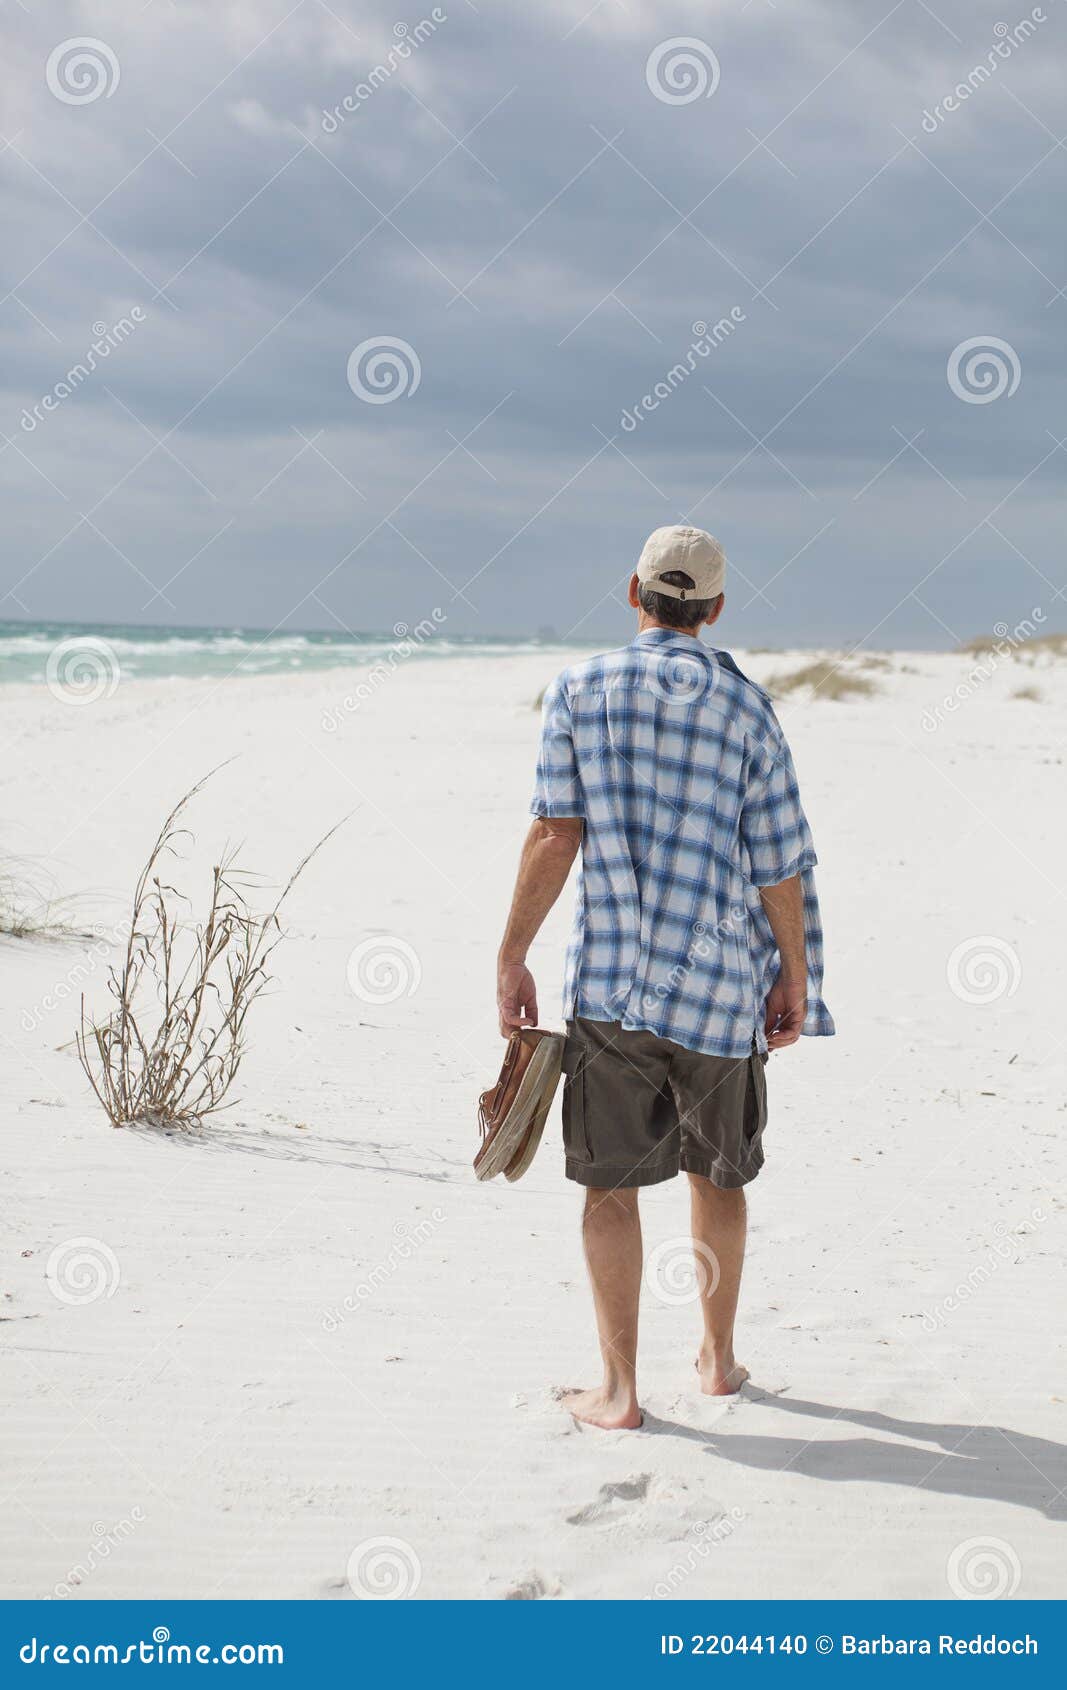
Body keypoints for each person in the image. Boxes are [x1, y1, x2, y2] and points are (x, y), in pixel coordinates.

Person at [495, 525, 834, 1429]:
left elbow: (553, 833)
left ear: (632, 590)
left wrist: (511, 952)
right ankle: (717, 1361)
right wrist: (792, 977)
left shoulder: (577, 688)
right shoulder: (747, 708)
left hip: (611, 982)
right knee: (718, 1180)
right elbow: (778, 865)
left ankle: (619, 1392)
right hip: (721, 988)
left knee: (611, 1184)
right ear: (714, 610)